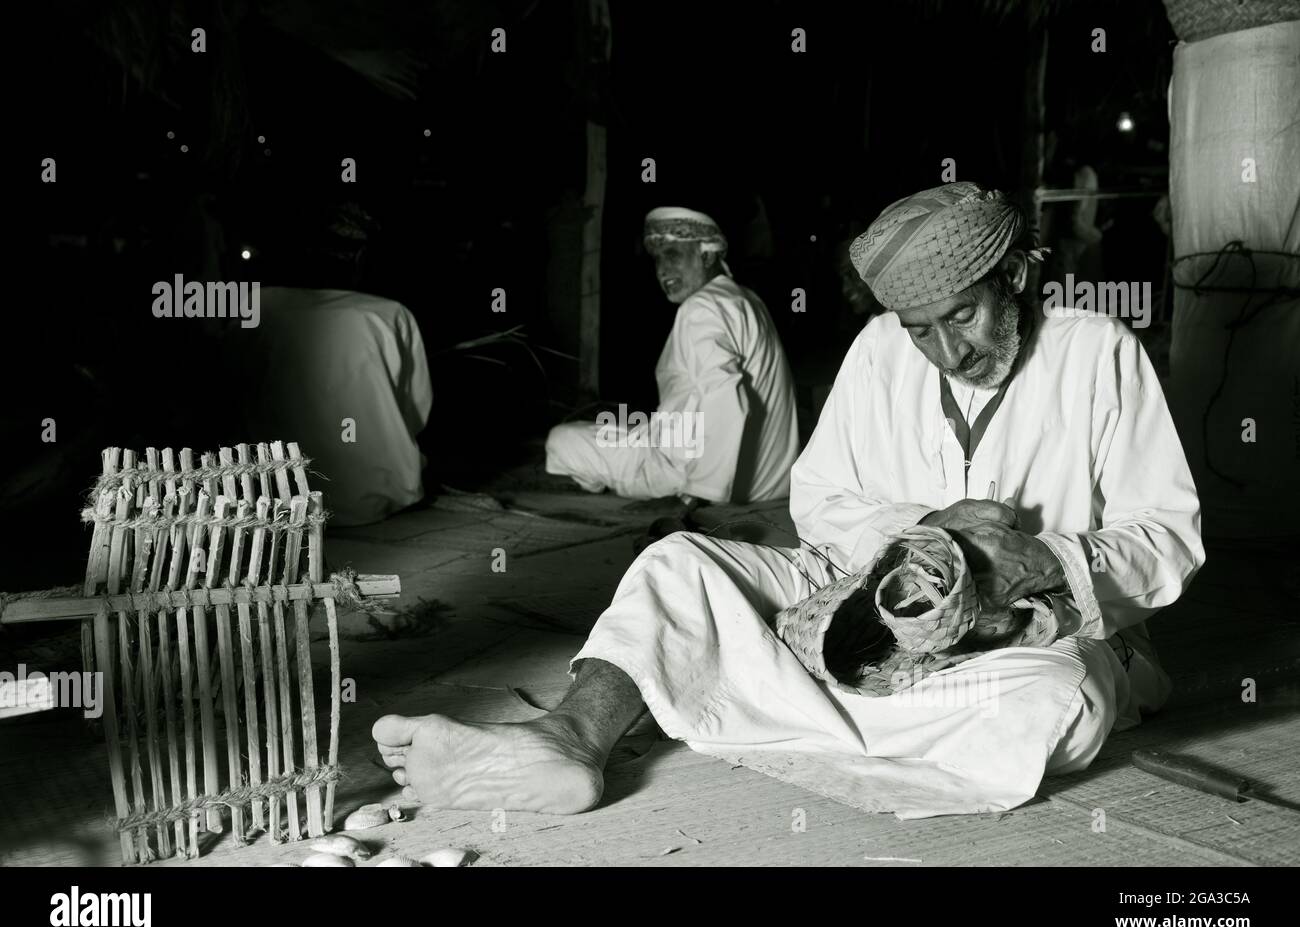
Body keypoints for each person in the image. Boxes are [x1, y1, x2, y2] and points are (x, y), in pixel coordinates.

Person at [373, 183, 1204, 818]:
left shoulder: (1099, 353)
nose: (947, 351)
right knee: (677, 566)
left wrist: (1041, 560)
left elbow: (1169, 536)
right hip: (853, 593)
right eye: (921, 329)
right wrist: (918, 536)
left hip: (1021, 639)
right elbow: (819, 496)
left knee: (1064, 705)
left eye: (965, 316)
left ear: (1016, 275)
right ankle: (572, 737)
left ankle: (742, 686)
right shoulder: (881, 349)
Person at [544, 207, 798, 504]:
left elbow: (725, 398)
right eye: (657, 259)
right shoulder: (745, 299)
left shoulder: (701, 308)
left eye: (673, 255)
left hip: (703, 477)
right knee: (615, 428)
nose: (662, 270)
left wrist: (701, 495)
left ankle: (630, 482)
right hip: (772, 482)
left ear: (706, 255)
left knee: (562, 440)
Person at [225, 203, 433, 526]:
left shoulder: (254, 307)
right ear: (361, 258)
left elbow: (225, 393)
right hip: (372, 494)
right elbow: (416, 410)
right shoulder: (389, 314)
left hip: (267, 496)